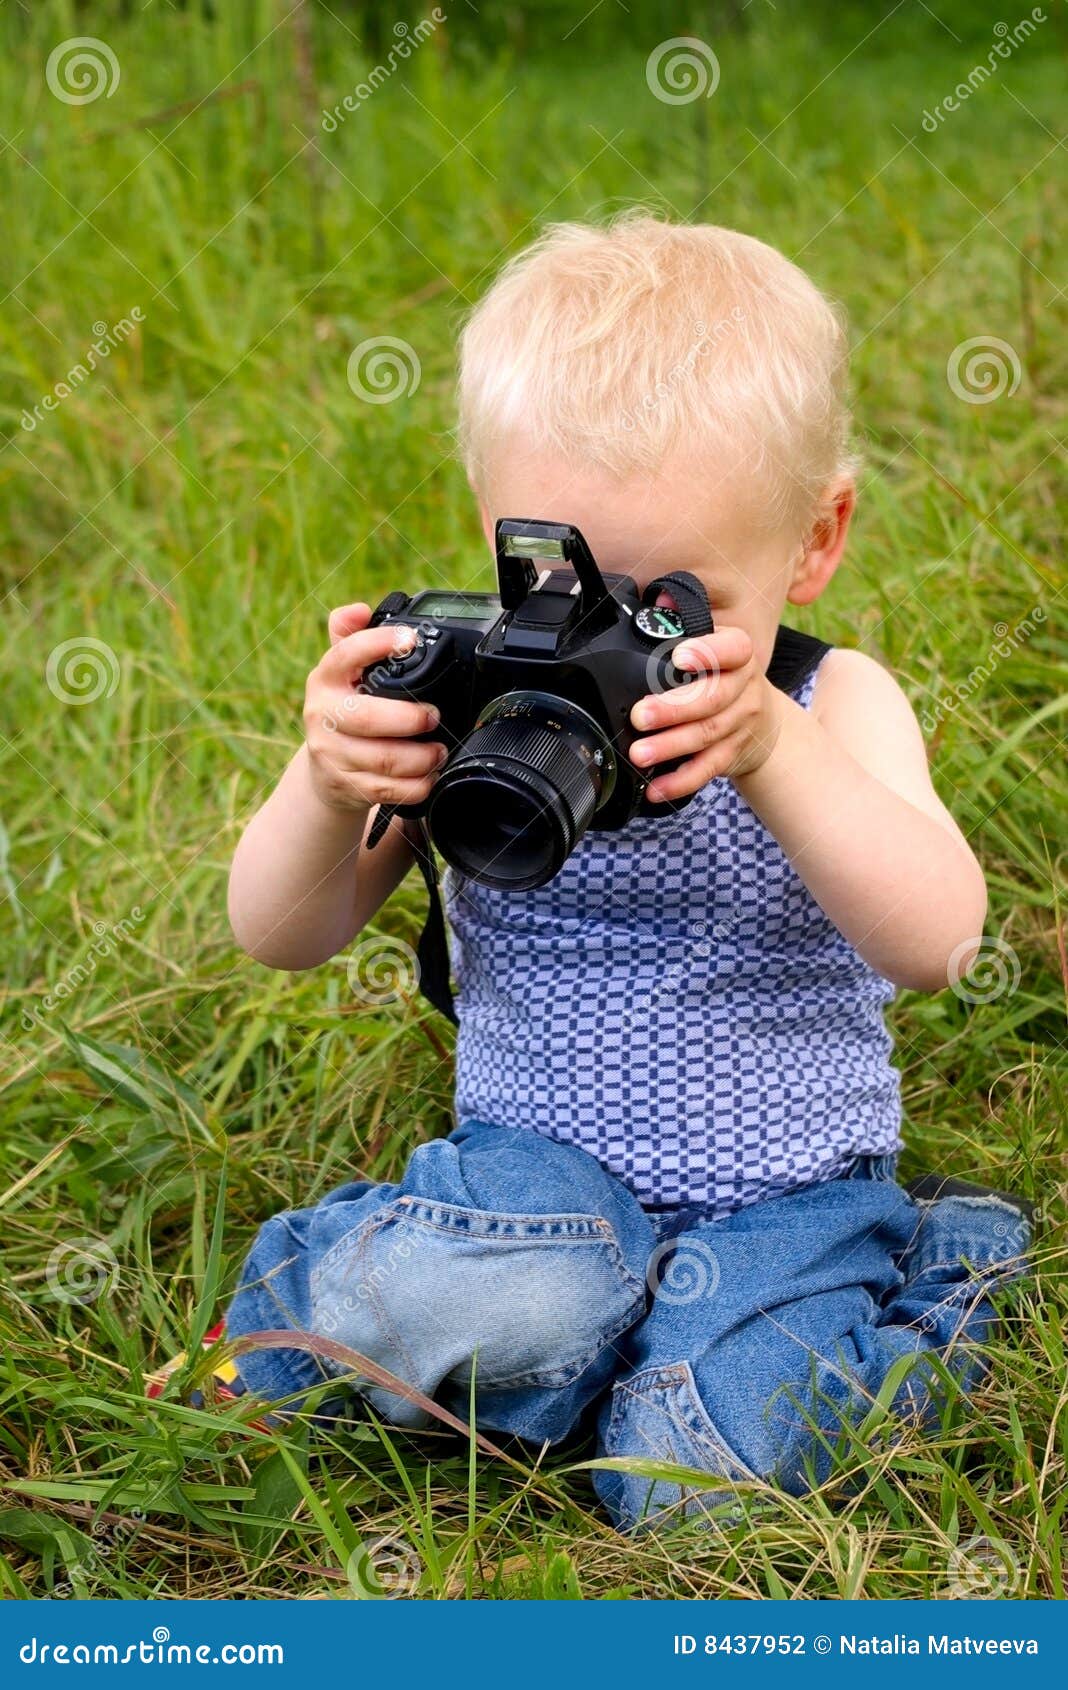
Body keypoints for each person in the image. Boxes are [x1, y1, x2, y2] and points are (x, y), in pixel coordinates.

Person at [192, 214, 1030, 1531]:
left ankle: (950, 1268)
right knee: (517, 1296)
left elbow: (940, 941)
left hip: (785, 1200)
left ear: (815, 540)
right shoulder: (480, 699)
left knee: (699, 1473)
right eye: (564, 589)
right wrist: (332, 779)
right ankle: (328, 1311)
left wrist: (773, 750)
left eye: (671, 615)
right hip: (534, 1193)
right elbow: (279, 930)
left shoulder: (830, 701)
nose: (609, 658)